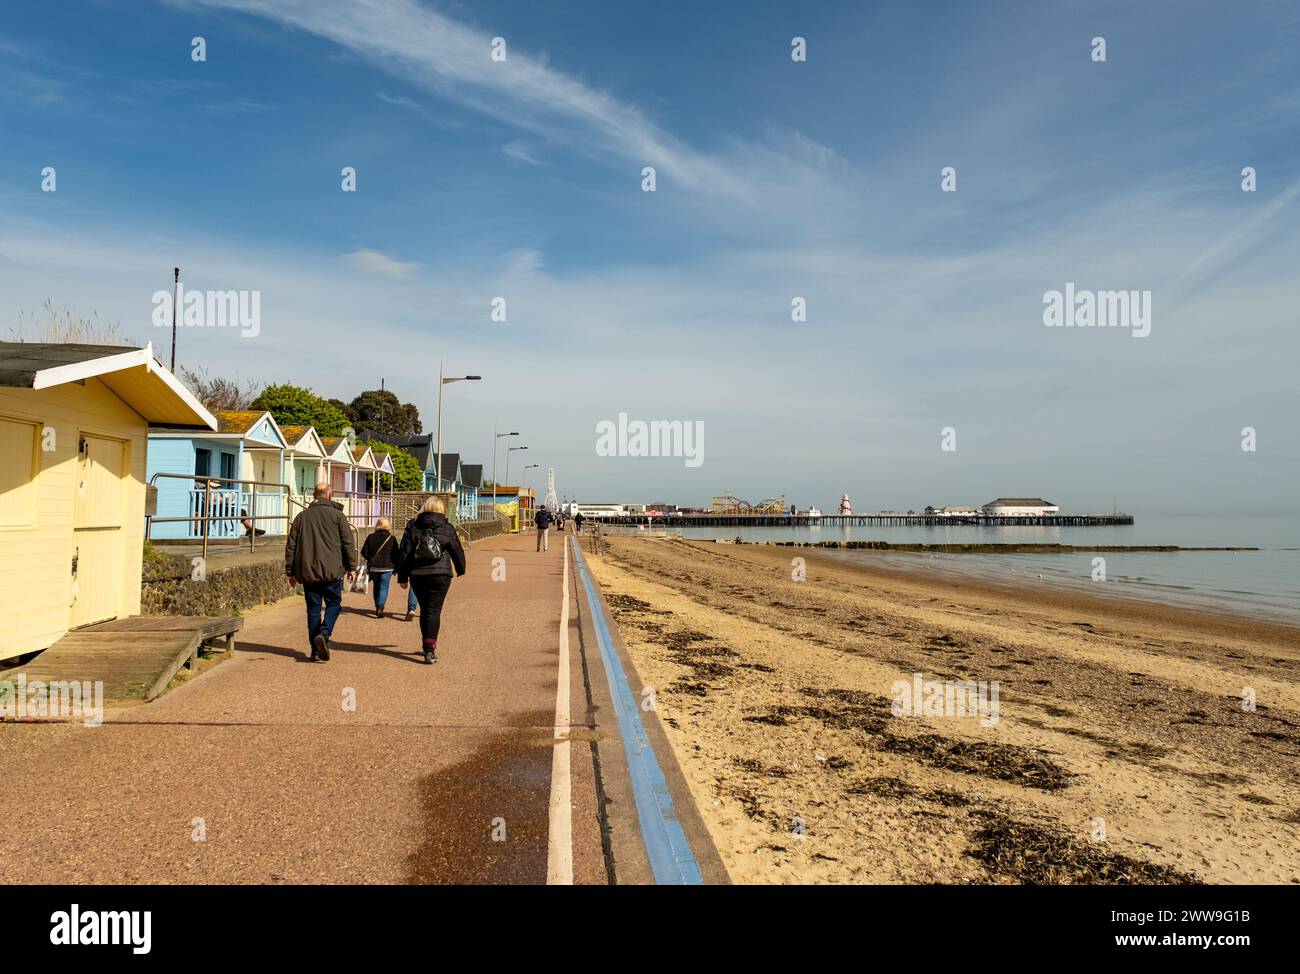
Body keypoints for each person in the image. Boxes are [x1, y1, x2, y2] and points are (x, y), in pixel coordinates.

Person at [285, 482, 358, 662]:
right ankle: (324, 635)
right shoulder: (338, 516)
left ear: (315, 496)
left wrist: (290, 571)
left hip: (308, 571)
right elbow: (348, 543)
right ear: (330, 495)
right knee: (334, 604)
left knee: (313, 610)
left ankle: (315, 650)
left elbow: (291, 546)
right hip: (332, 571)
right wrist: (352, 567)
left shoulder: (301, 517)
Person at [396, 495, 466, 664]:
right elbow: (457, 549)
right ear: (441, 510)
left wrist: (403, 577)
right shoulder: (447, 527)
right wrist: (460, 568)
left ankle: (426, 647)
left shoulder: (413, 527)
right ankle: (430, 649)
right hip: (441, 575)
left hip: (418, 575)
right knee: (433, 611)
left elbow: (404, 553)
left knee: (425, 610)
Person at [360, 517, 418, 619]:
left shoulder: (370, 537)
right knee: (384, 587)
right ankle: (381, 606)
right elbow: (396, 554)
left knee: (376, 587)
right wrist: (396, 567)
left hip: (374, 567)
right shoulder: (391, 538)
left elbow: (364, 552)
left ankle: (378, 605)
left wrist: (370, 558)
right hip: (387, 567)